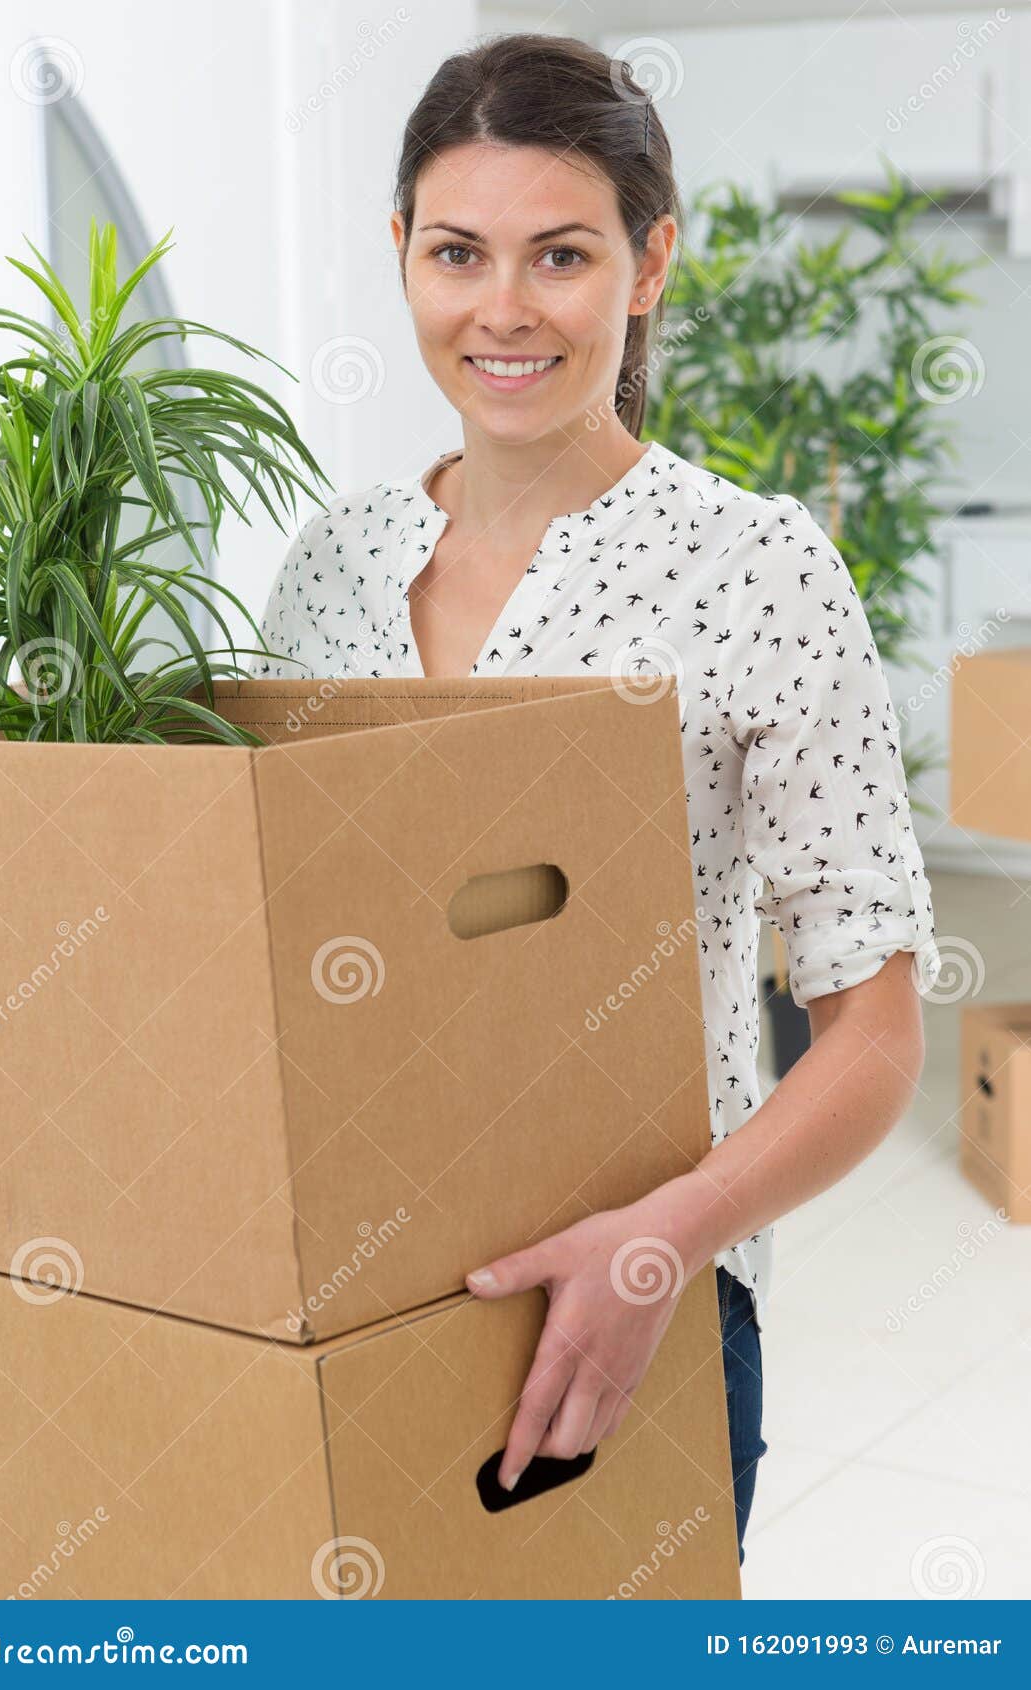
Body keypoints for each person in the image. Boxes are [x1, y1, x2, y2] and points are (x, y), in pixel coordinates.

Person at [250, 33, 941, 1567]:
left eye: (560, 253)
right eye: (458, 252)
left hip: (643, 1302)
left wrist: (667, 1242)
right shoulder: (329, 569)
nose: (502, 308)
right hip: (350, 1295)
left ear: (649, 264)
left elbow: (877, 1033)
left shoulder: (759, 570)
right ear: (401, 257)